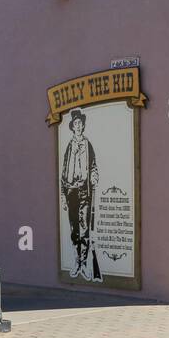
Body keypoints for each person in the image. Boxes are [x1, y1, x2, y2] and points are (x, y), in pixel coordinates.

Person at [60, 109, 99, 279]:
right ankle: (77, 261)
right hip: (71, 192)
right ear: (72, 127)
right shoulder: (69, 146)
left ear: (83, 126)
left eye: (80, 123)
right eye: (75, 123)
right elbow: (63, 173)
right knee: (74, 229)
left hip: (84, 191)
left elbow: (93, 166)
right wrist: (63, 196)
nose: (78, 126)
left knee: (84, 229)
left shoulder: (87, 144)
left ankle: (84, 263)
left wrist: (94, 175)